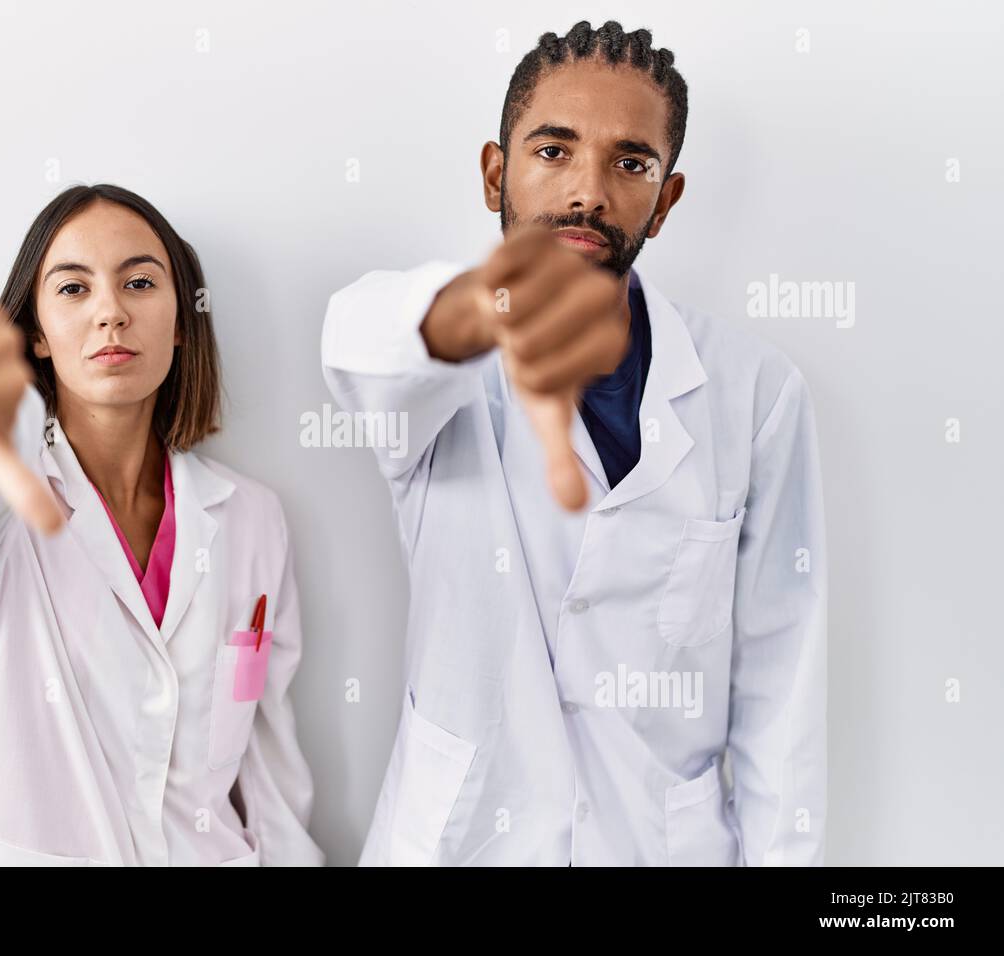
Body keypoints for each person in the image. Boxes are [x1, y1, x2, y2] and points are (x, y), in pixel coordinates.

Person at [322, 21, 826, 866]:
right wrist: (477, 313)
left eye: (631, 163)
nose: (588, 191)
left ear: (665, 202)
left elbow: (784, 686)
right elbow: (360, 342)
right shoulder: (440, 373)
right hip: (463, 840)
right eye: (553, 151)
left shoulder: (756, 392)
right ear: (495, 174)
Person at [0, 184, 323, 866]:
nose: (111, 313)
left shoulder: (250, 519)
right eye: (72, 290)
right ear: (33, 331)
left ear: (182, 321)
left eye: (141, 283)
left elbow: (270, 777)